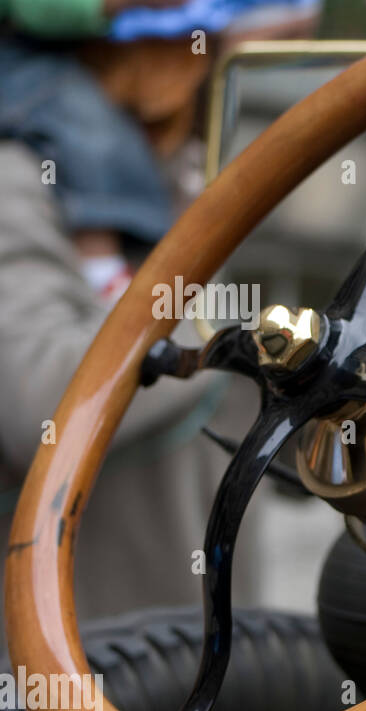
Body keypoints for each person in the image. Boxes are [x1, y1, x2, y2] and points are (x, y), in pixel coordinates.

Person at [0, 1, 320, 633]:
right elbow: (40, 408)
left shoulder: (189, 173)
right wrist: (228, 284)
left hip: (218, 665)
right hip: (81, 677)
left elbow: (290, 470)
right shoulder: (20, 181)